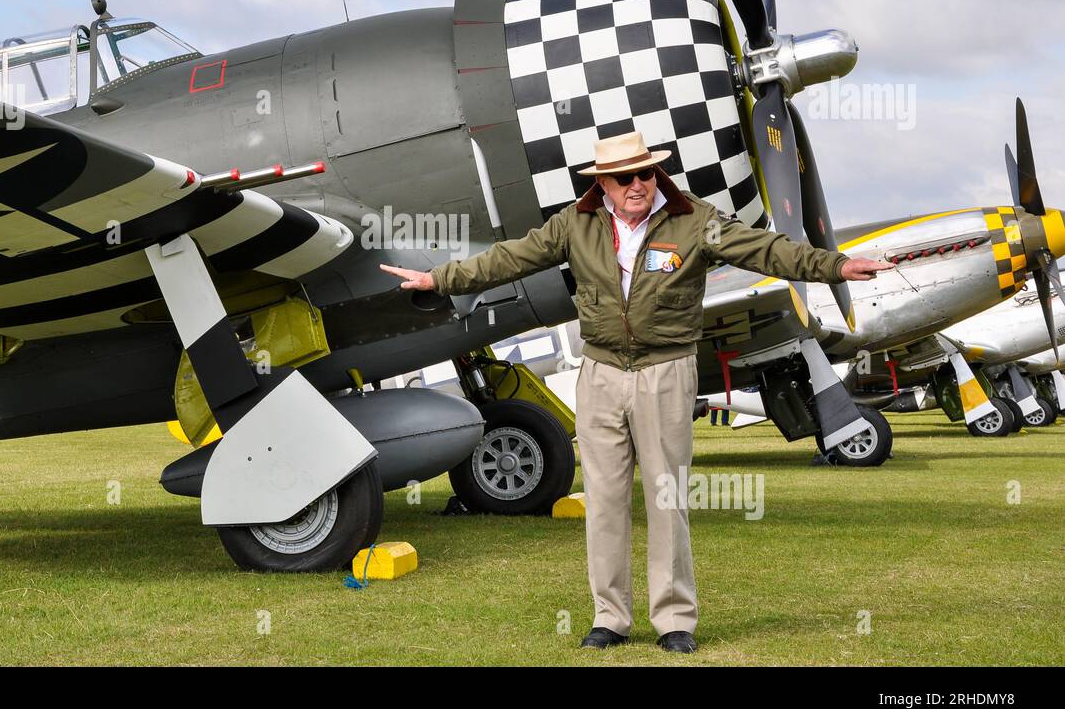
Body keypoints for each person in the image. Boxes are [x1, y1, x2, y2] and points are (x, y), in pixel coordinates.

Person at [380, 130, 892, 653]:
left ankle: (674, 622)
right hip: (599, 375)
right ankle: (611, 618)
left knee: (667, 497)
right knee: (604, 501)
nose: (637, 185)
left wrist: (836, 266)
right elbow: (508, 259)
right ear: (602, 182)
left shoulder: (694, 218)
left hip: (666, 372)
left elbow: (764, 249)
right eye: (624, 177)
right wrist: (438, 280)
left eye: (645, 173)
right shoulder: (573, 224)